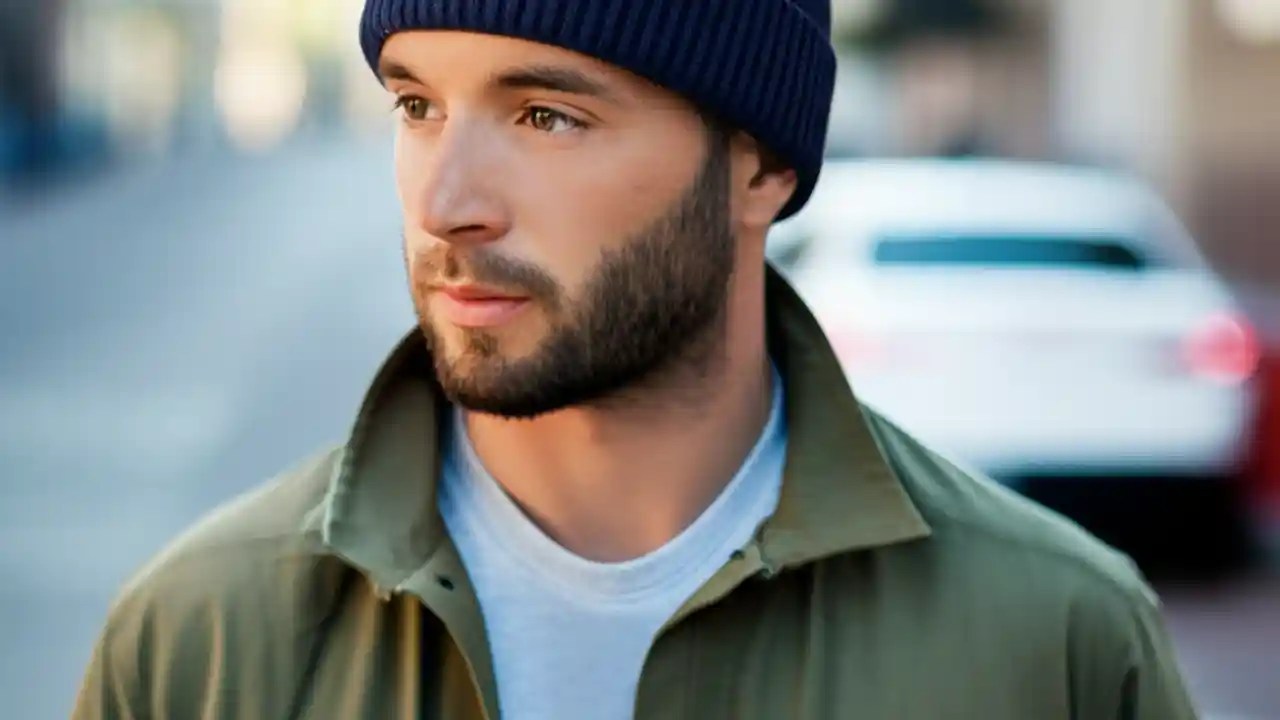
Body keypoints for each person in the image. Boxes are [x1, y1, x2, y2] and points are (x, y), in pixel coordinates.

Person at [73, 1, 1199, 718]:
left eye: (546, 116)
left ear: (757, 170)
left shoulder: (1049, 641)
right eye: (416, 104)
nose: (445, 204)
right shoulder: (203, 638)